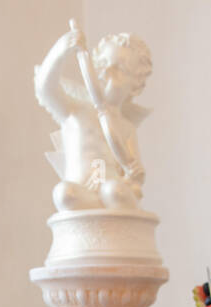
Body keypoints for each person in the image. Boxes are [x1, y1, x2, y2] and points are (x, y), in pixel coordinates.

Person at [34, 24, 152, 211]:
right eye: (104, 64)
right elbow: (45, 88)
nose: (108, 72)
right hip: (79, 191)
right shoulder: (75, 111)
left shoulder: (125, 127)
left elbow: (133, 171)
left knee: (115, 192)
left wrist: (135, 175)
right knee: (64, 194)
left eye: (120, 69)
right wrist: (61, 49)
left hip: (113, 192)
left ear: (135, 85)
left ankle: (110, 218)